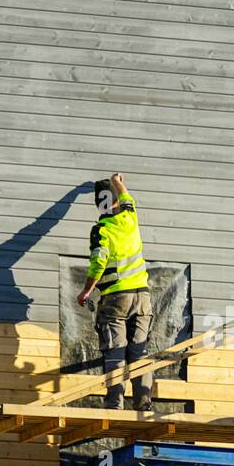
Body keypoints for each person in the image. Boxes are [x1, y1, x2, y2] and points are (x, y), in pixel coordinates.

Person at [76, 173, 153, 412]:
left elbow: (99, 263)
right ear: (118, 199)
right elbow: (125, 194)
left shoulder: (101, 230)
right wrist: (115, 179)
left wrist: (86, 291)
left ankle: (114, 404)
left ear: (99, 205)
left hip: (116, 298)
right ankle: (144, 404)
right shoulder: (130, 217)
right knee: (139, 352)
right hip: (142, 297)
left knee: (115, 351)